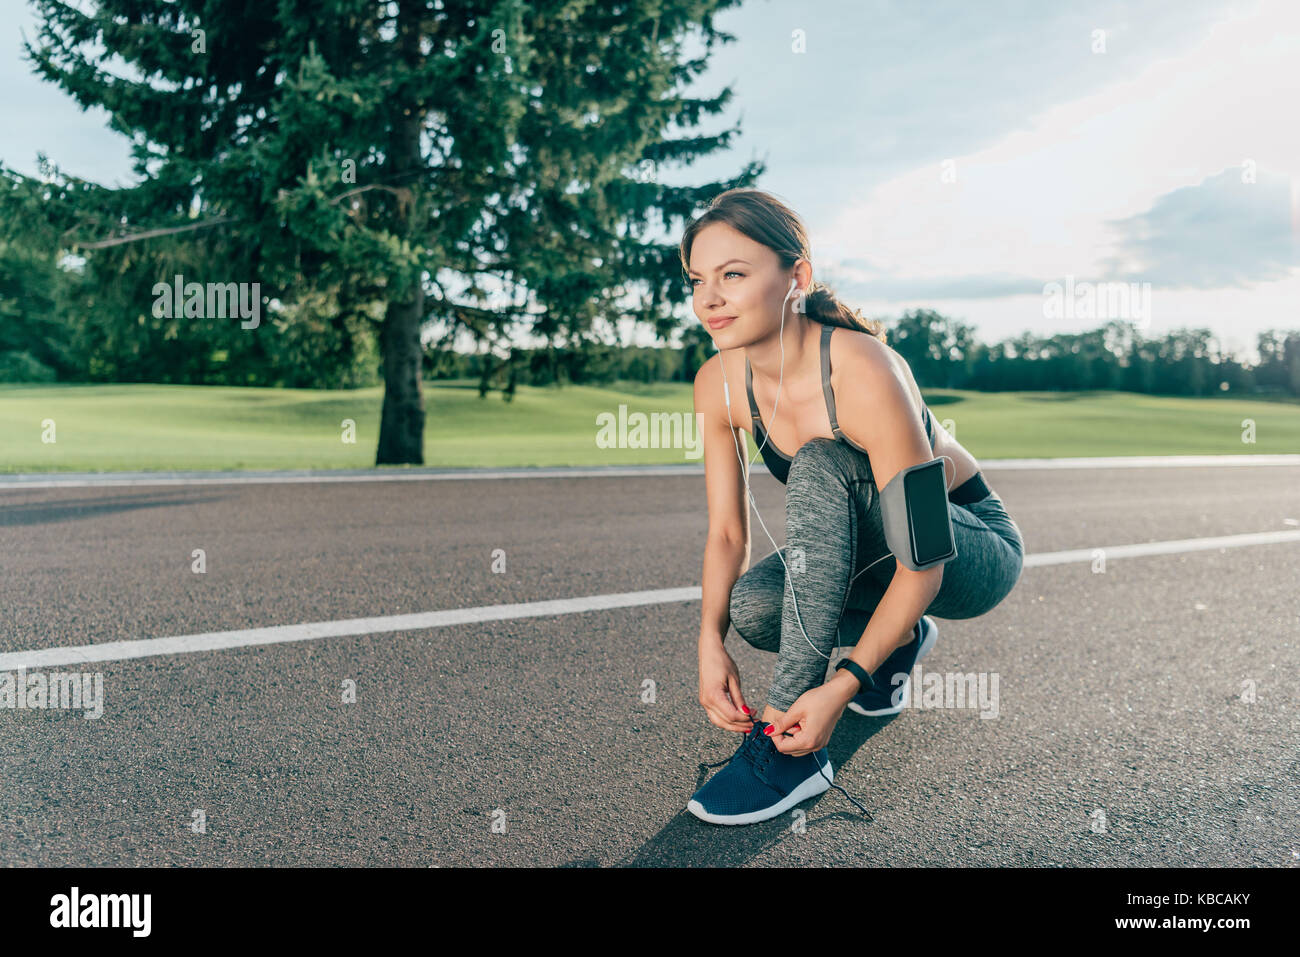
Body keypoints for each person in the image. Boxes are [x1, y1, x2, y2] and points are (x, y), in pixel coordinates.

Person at [684, 188, 1025, 825]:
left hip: (968, 547)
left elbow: (923, 562)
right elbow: (728, 533)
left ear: (797, 278)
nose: (709, 297)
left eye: (734, 274)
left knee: (820, 459)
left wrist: (842, 686)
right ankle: (899, 640)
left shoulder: (863, 368)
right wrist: (709, 641)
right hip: (877, 554)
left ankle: (791, 755)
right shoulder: (716, 384)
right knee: (755, 610)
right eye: (697, 279)